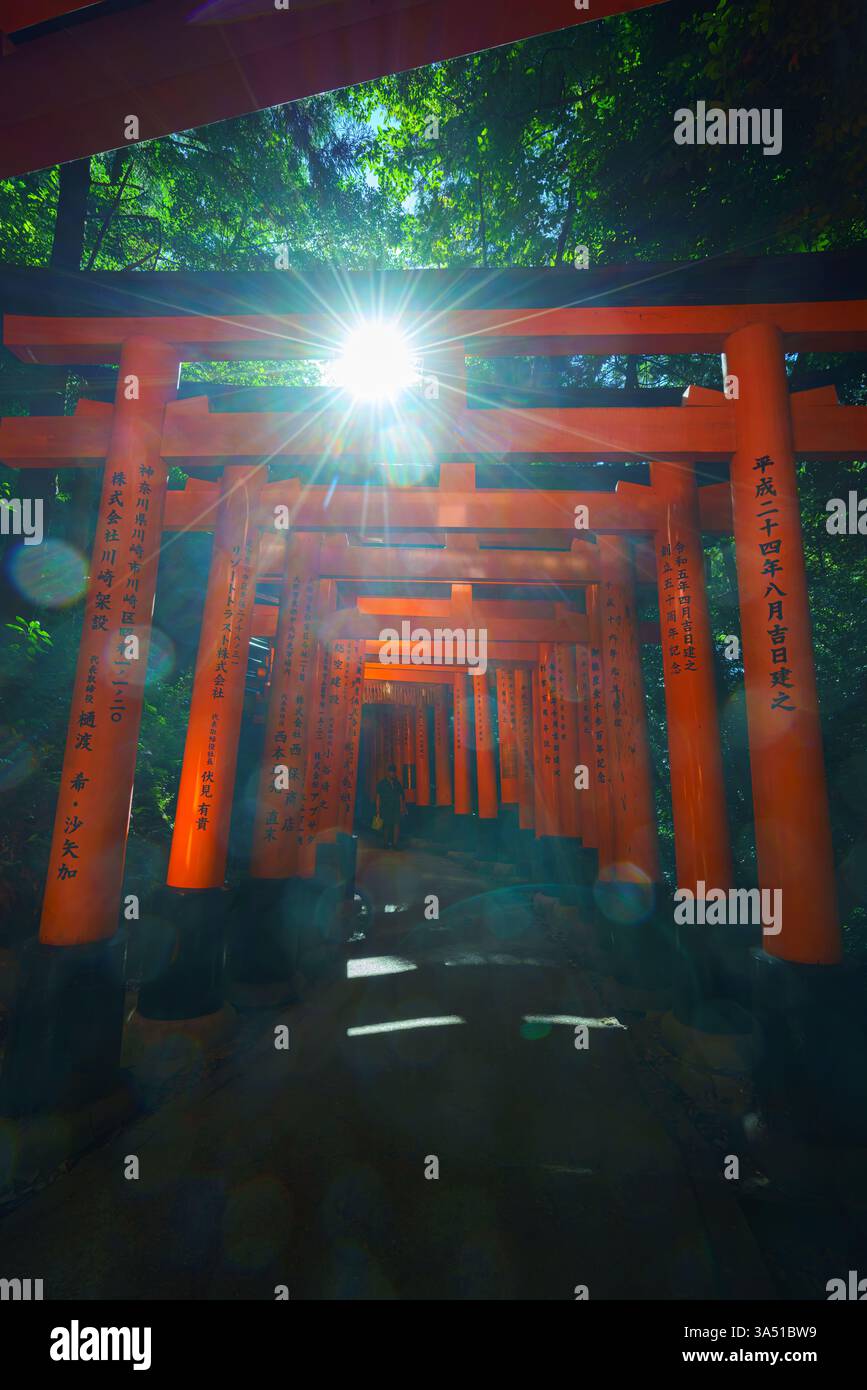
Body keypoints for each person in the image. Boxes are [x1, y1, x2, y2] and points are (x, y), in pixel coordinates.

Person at [376, 763, 405, 849]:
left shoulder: (397, 783)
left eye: (394, 772)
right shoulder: (382, 783)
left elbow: (400, 796)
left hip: (396, 807)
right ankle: (385, 843)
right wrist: (377, 809)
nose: (393, 774)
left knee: (396, 825)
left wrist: (402, 807)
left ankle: (395, 844)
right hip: (385, 807)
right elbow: (378, 797)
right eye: (391, 772)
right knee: (386, 825)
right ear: (388, 773)